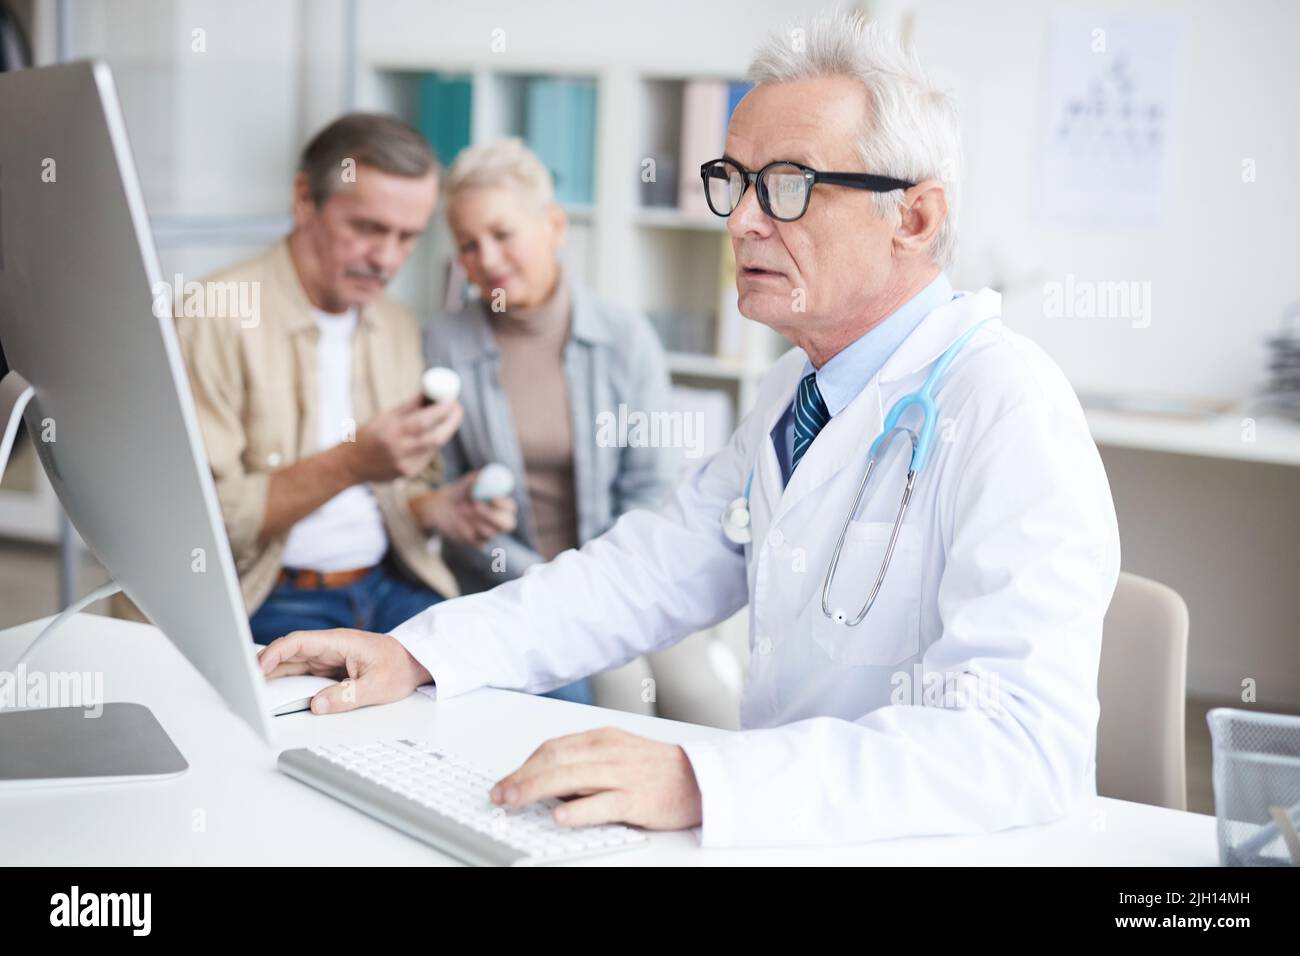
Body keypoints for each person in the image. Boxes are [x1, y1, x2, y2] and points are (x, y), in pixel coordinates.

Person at [258, 13, 1122, 849]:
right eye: (736, 182)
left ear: (915, 218)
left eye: (789, 185)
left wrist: (706, 782)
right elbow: (644, 572)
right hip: (788, 837)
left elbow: (1020, 744)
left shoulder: (1009, 407)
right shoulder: (798, 389)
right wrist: (417, 652)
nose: (743, 219)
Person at [175, 113, 515, 643]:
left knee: (543, 686)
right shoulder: (211, 315)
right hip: (265, 597)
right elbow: (192, 523)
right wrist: (350, 463)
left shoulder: (396, 325)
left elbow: (402, 493)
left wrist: (438, 508)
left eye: (408, 237)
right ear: (305, 200)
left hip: (384, 586)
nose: (387, 259)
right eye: (368, 228)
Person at [422, 137, 676, 704]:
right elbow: (447, 500)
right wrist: (548, 585)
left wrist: (595, 585)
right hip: (509, 586)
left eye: (502, 234)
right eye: (468, 244)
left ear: (554, 226)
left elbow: (652, 491)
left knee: (703, 696)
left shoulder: (624, 337)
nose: (486, 260)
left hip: (622, 576)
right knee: (621, 694)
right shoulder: (443, 344)